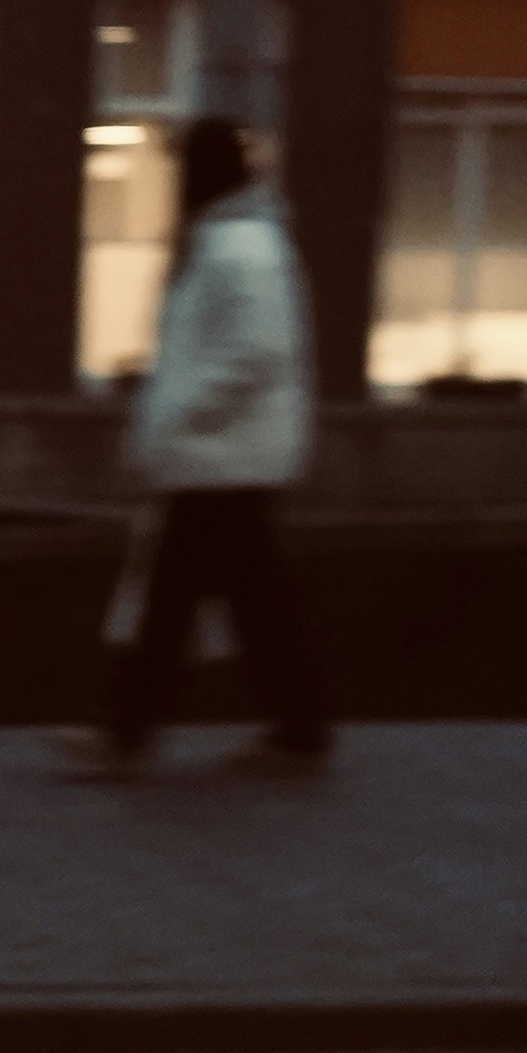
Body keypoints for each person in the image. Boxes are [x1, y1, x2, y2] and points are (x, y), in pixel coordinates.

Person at [81, 110, 330, 774]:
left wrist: (182, 414)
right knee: (257, 598)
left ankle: (126, 732)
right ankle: (300, 729)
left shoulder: (237, 247)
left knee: (171, 594)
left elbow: (254, 352)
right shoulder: (242, 241)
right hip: (233, 452)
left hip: (221, 453)